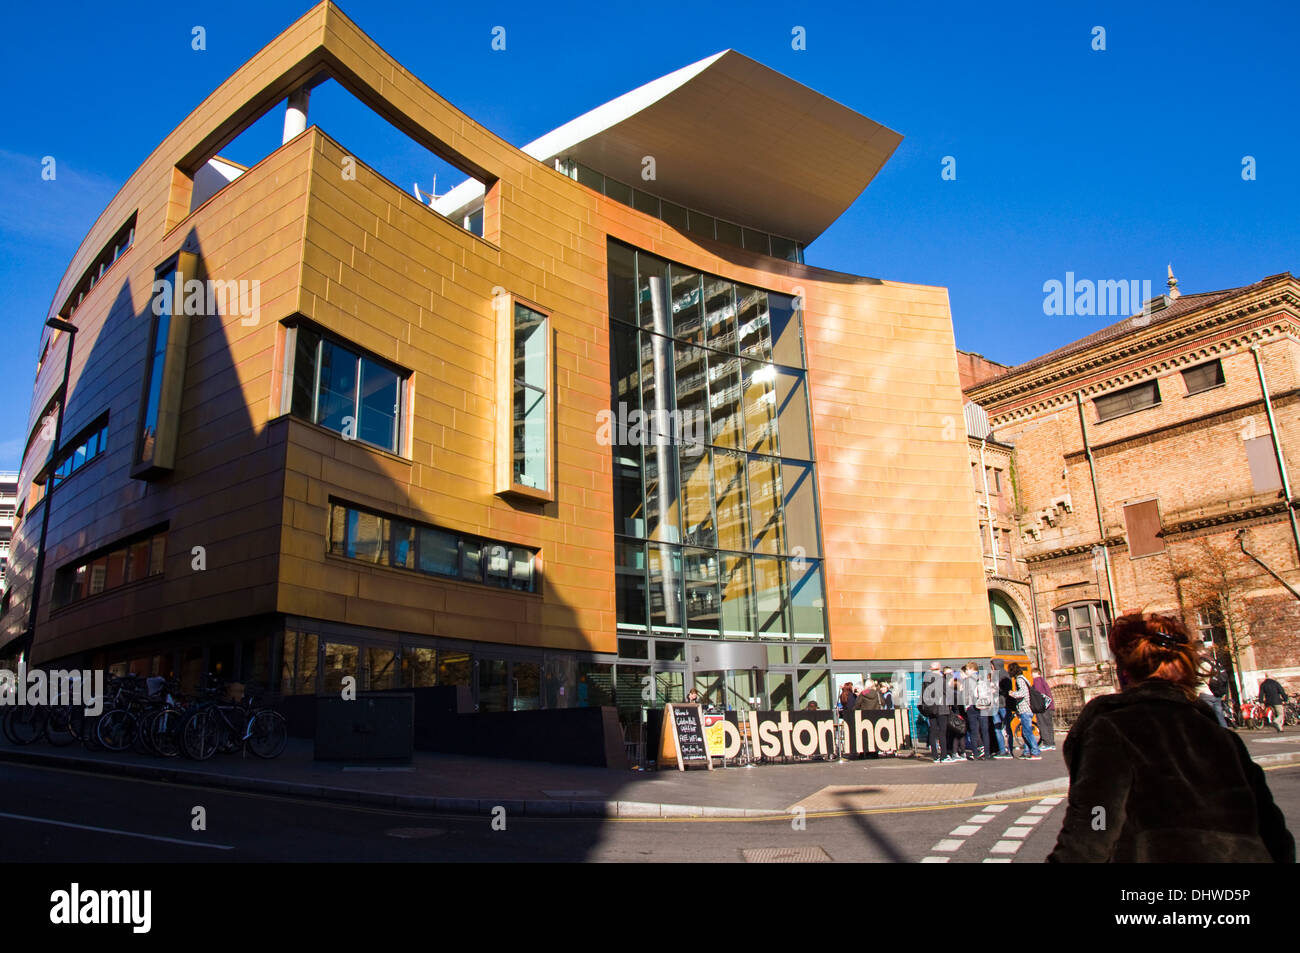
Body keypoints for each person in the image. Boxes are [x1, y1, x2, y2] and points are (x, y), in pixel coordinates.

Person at [1048, 612, 1294, 863]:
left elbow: (1094, 825)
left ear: (1124, 672)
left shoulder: (1114, 730)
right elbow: (1276, 835)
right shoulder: (1225, 739)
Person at [1007, 663, 1041, 759]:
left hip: (1025, 709)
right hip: (1027, 709)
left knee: (1027, 732)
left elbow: (1023, 693)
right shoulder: (1024, 678)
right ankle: (1026, 751)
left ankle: (1035, 751)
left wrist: (1012, 693)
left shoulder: (1019, 680)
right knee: (1024, 732)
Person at [921, 662, 951, 763]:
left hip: (930, 708)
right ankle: (943, 755)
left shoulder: (926, 680)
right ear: (938, 669)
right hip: (941, 707)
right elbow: (948, 693)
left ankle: (935, 756)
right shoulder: (940, 679)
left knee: (933, 732)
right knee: (942, 732)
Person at [966, 662, 994, 759]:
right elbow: (989, 693)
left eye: (967, 669)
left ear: (971, 669)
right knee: (985, 731)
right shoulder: (984, 678)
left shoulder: (968, 680)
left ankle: (976, 753)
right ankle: (987, 753)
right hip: (983, 706)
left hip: (973, 707)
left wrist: (967, 707)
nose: (966, 671)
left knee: (974, 731)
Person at [990, 658, 1013, 758]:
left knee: (1004, 727)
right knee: (997, 727)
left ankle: (1008, 749)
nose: (991, 667)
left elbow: (1006, 690)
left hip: (1003, 704)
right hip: (997, 704)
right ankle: (1002, 750)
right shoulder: (995, 675)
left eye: (992, 665)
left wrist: (996, 690)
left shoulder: (1004, 675)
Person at [1030, 667, 1057, 750]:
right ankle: (1051, 743)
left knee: (1043, 725)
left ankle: (1047, 743)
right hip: (1049, 707)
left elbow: (1039, 695)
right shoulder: (1042, 680)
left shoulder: (1037, 681)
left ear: (1035, 673)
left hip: (1042, 708)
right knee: (1049, 725)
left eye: (1032, 673)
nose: (1032, 675)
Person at [1200, 662, 1229, 729]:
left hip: (1205, 694)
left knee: (1208, 717)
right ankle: (1225, 734)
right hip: (1216, 694)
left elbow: (1199, 679)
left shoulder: (1202, 665)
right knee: (1220, 716)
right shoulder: (1216, 663)